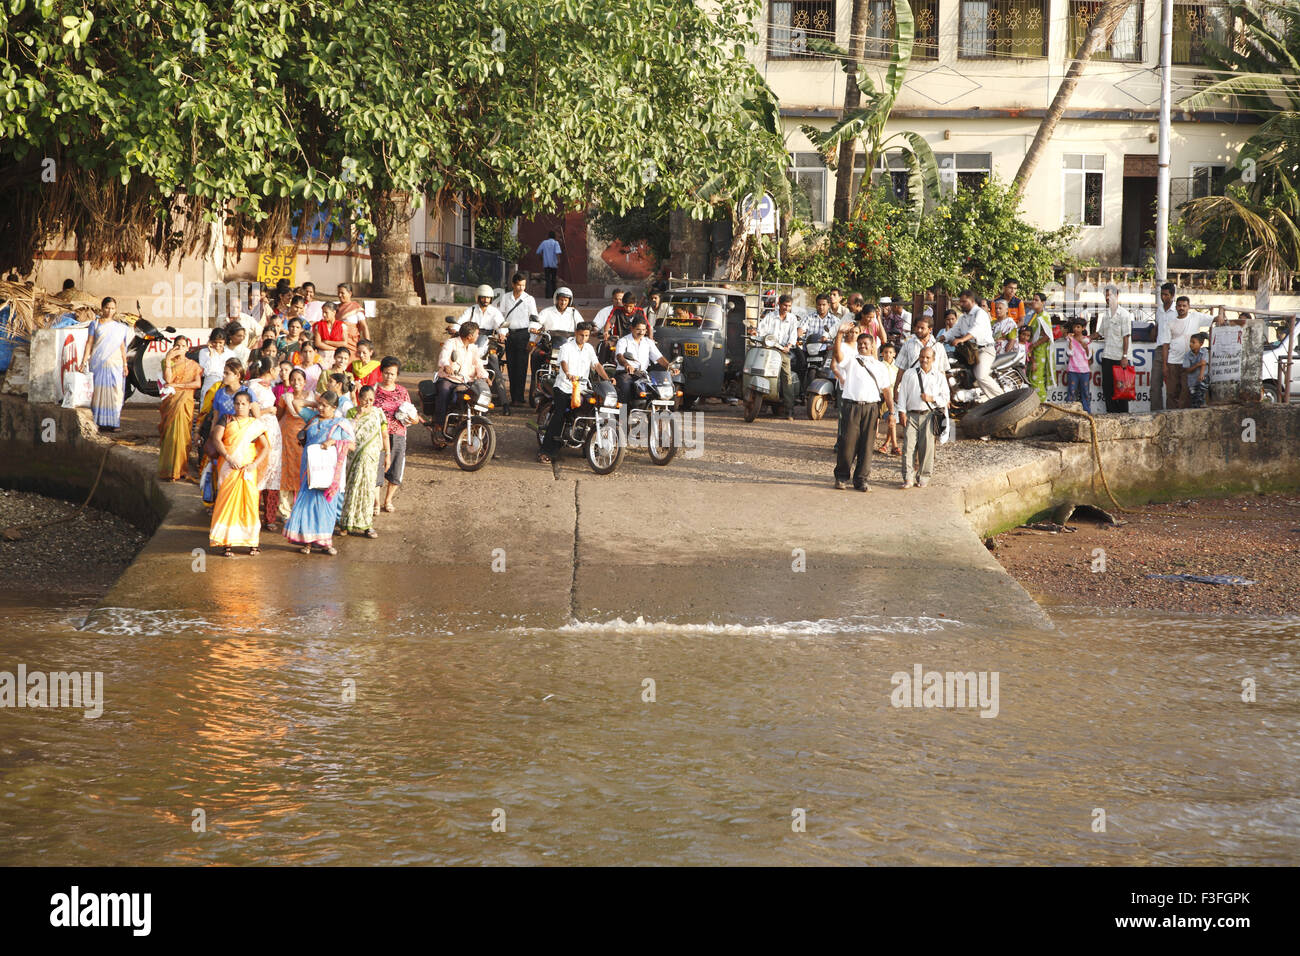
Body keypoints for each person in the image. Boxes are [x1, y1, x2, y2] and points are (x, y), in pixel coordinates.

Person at [283, 391, 354, 556]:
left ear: (335, 408)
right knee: (308, 504)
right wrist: (316, 404)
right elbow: (296, 403)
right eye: (320, 404)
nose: (321, 408)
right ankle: (307, 541)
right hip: (309, 469)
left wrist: (334, 442)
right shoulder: (313, 418)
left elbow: (351, 445)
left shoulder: (341, 423)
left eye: (325, 406)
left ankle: (325, 542)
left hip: (328, 471)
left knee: (326, 505)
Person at [208, 389, 269, 557]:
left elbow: (265, 448)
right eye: (237, 403)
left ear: (250, 406)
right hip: (229, 468)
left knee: (249, 503)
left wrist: (254, 464)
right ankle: (227, 542)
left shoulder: (255, 424)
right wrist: (228, 457)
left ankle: (251, 543)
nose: (240, 406)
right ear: (233, 405)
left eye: (243, 404)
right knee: (227, 502)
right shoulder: (226, 419)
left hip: (248, 470)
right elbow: (216, 439)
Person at [539, 321, 610, 464]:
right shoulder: (566, 347)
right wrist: (568, 374)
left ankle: (587, 444)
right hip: (564, 386)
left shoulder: (589, 348)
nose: (583, 338)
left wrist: (608, 379)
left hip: (582, 388)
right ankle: (545, 451)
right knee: (560, 415)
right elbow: (563, 362)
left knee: (593, 409)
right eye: (581, 335)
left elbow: (596, 365)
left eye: (587, 335)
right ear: (576, 333)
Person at [832, 333, 894, 492]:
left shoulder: (880, 366)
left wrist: (892, 412)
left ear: (873, 346)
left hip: (871, 408)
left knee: (867, 445)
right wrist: (839, 334)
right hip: (851, 407)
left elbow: (886, 390)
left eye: (866, 343)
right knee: (847, 443)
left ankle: (861, 480)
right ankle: (841, 477)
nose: (862, 346)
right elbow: (838, 356)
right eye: (860, 343)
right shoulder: (851, 360)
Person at [897, 345, 950, 489]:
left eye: (927, 357)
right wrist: (901, 412)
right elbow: (902, 394)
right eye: (922, 357)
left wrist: (931, 398)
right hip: (911, 415)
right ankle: (908, 478)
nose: (924, 360)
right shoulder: (909, 373)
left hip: (929, 415)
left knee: (927, 448)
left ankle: (924, 476)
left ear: (933, 359)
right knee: (908, 447)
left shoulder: (939, 376)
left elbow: (946, 398)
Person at [340, 385, 389, 538]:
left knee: (368, 489)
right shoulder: (352, 412)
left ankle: (367, 525)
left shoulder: (378, 413)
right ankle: (346, 524)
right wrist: (358, 416)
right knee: (352, 488)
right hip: (354, 458)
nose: (368, 403)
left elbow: (385, 434)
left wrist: (388, 454)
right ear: (359, 398)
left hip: (371, 458)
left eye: (371, 400)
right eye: (364, 399)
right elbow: (347, 433)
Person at [76, 297, 130, 432]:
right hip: (98, 362)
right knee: (98, 392)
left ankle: (114, 423)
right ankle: (98, 421)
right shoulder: (95, 324)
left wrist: (125, 364)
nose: (110, 311)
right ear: (102, 308)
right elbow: (89, 343)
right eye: (107, 308)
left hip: (115, 363)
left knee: (115, 392)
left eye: (112, 308)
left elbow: (122, 347)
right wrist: (83, 361)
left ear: (115, 309)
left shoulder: (119, 328)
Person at [432, 320, 489, 442]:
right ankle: (438, 426)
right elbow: (444, 356)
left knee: (479, 399)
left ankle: (483, 435)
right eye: (477, 334)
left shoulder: (473, 348)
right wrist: (446, 366)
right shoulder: (451, 343)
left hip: (466, 380)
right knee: (444, 393)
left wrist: (484, 376)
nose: (478, 336)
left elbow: (478, 364)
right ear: (469, 336)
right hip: (449, 378)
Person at [245, 358, 285, 532]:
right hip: (261, 431)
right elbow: (248, 412)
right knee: (259, 472)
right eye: (277, 368)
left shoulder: (268, 385)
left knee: (273, 474)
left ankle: (270, 517)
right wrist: (268, 410)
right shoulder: (253, 387)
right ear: (270, 369)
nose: (279, 371)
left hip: (273, 433)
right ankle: (253, 515)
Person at [157, 336, 201, 481]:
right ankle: (168, 470)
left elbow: (197, 384)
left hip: (185, 402)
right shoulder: (166, 362)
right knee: (170, 435)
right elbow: (168, 380)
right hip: (171, 403)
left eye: (183, 346)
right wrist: (169, 359)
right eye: (177, 345)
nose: (179, 348)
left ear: (187, 348)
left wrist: (178, 386)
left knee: (182, 437)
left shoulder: (193, 365)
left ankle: (180, 469)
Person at [373, 357, 413, 512]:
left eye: (392, 374)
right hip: (377, 435)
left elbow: (411, 412)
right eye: (386, 373)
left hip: (397, 434)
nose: (389, 376)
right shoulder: (374, 389)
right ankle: (376, 502)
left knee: (396, 468)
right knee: (376, 468)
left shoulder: (402, 391)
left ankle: (387, 500)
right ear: (381, 372)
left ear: (397, 375)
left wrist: (412, 418)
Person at [530, 286, 581, 403]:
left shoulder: (574, 313)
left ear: (570, 301)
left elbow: (581, 325)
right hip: (549, 343)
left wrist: (588, 328)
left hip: (567, 345)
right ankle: (534, 390)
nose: (563, 302)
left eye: (566, 300)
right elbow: (537, 321)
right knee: (536, 356)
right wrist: (534, 328)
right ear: (556, 299)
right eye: (561, 299)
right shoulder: (547, 311)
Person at [495, 272, 539, 406]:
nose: (521, 288)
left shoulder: (529, 299)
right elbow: (501, 317)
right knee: (511, 365)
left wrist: (532, 339)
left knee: (522, 366)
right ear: (513, 284)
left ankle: (519, 398)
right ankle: (513, 396)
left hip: (523, 335)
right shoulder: (506, 298)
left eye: (523, 285)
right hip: (510, 335)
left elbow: (534, 319)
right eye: (519, 285)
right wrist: (503, 332)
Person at [277, 367, 313, 522]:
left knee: (303, 471)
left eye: (300, 379)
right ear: (289, 381)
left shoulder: (313, 397)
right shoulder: (285, 397)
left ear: (305, 382)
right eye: (293, 379)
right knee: (287, 471)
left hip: (305, 439)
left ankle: (300, 508)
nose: (296, 382)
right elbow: (278, 417)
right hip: (287, 438)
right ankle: (286, 510)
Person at [757, 293, 801, 419]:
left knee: (787, 376)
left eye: (789, 306)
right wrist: (756, 332)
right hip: (769, 348)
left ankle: (789, 409)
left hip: (782, 351)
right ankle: (761, 402)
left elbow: (793, 335)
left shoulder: (792, 319)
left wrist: (789, 345)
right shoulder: (770, 316)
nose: (786, 308)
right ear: (779, 304)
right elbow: (761, 329)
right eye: (784, 305)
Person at [952, 290, 1002, 398]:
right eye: (960, 302)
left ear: (972, 301)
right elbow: (954, 331)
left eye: (964, 301)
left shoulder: (980, 314)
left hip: (985, 350)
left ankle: (1003, 398)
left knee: (981, 375)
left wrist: (962, 339)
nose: (961, 304)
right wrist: (942, 337)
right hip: (970, 352)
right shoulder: (963, 317)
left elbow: (976, 329)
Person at [1166, 296, 1212, 410]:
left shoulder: (1195, 317)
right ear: (1176, 307)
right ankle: (1170, 416)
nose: (1181, 308)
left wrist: (1221, 317)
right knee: (1171, 392)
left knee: (1185, 392)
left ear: (1188, 307)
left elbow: (1214, 319)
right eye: (1179, 305)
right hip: (1173, 361)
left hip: (1190, 363)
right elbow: (1165, 344)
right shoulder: (1170, 322)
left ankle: (1182, 416)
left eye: (1184, 306)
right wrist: (1164, 364)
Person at [613, 316, 671, 405]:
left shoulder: (648, 342)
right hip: (625, 373)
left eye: (644, 330)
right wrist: (626, 365)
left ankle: (650, 412)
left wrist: (670, 367)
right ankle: (623, 415)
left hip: (642, 375)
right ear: (631, 328)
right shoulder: (623, 341)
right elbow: (620, 356)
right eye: (638, 329)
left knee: (656, 389)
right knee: (626, 387)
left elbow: (659, 357)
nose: (641, 332)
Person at [1094, 284, 1134, 413]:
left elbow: (1126, 337)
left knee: (1122, 390)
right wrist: (1085, 338)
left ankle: (1123, 417)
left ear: (1117, 296)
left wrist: (1124, 356)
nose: (1107, 298)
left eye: (1110, 295)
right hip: (1107, 356)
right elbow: (1099, 333)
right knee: (1107, 389)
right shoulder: (1105, 315)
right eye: (1106, 296)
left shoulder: (1124, 314)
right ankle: (1111, 416)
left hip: (1120, 357)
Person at [1023, 293, 1056, 402]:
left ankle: (1043, 404)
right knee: (1032, 378)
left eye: (1036, 300)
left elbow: (1047, 335)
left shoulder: (1044, 316)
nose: (1033, 301)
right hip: (1034, 352)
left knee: (1036, 379)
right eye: (1033, 299)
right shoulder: (1036, 316)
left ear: (1043, 303)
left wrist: (1033, 346)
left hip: (1039, 351)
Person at [1150, 281, 1176, 412]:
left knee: (1172, 386)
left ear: (1172, 296)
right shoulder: (1160, 310)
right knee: (1155, 384)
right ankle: (1155, 413)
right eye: (1162, 294)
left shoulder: (1178, 310)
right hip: (1160, 349)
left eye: (1166, 295)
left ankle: (1171, 413)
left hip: (1173, 350)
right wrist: (1154, 329)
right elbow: (1158, 325)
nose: (1163, 297)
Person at [877, 342, 902, 455]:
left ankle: (889, 445)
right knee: (891, 421)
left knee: (892, 421)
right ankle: (892, 445)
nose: (888, 354)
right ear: (882, 354)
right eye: (886, 352)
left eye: (890, 352)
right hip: (883, 397)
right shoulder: (879, 366)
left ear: (895, 354)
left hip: (895, 397)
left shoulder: (897, 368)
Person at [1064, 318, 1092, 413]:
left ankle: (1087, 411)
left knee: (1085, 392)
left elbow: (1089, 357)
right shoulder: (1070, 339)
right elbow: (1069, 353)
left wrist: (1086, 348)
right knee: (1071, 391)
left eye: (1078, 327)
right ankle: (1069, 411)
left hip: (1084, 371)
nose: (1076, 329)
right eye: (1074, 327)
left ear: (1083, 328)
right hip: (1073, 369)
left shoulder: (1086, 340)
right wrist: (1071, 343)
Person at [1184, 332, 1209, 408]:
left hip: (1202, 378)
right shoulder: (1187, 355)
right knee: (1194, 397)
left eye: (1193, 342)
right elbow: (1187, 369)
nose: (1191, 344)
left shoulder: (1204, 352)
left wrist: (1201, 375)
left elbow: (1204, 364)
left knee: (1201, 391)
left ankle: (1203, 403)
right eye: (1190, 342)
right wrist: (1197, 365)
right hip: (1192, 380)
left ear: (1201, 344)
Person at [536, 230, 563, 297]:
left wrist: (541, 257)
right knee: (553, 280)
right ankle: (554, 294)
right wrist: (558, 261)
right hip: (554, 264)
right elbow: (557, 253)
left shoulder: (544, 243)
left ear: (548, 236)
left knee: (547, 280)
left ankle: (547, 295)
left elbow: (538, 251)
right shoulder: (556, 243)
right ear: (554, 236)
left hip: (546, 264)